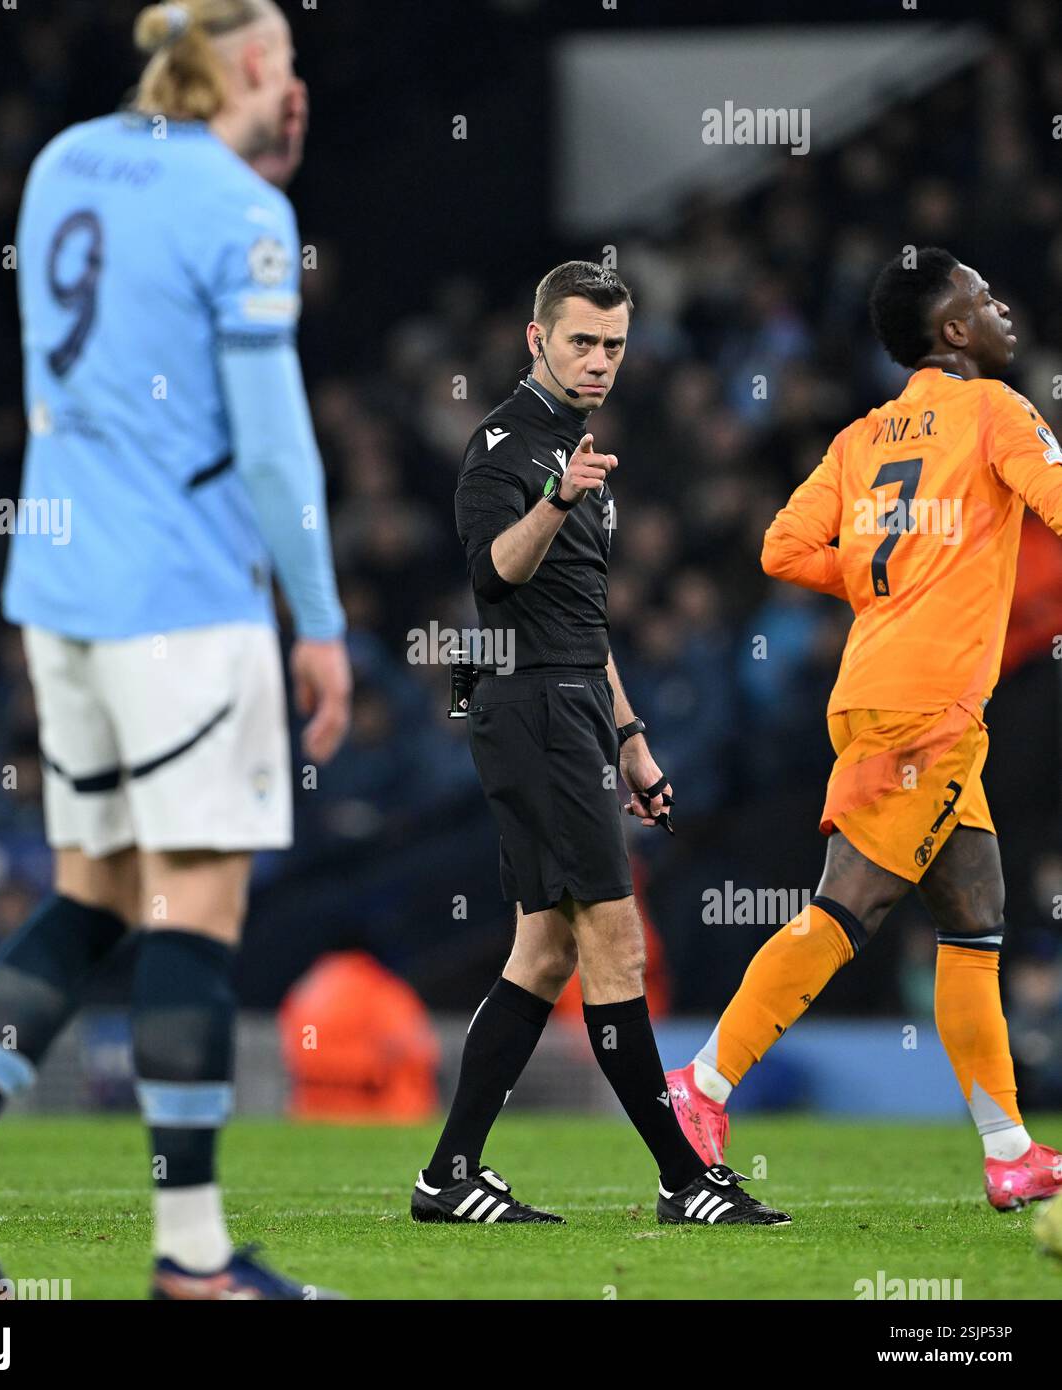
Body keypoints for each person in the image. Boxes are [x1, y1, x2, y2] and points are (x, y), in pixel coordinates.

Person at [0, 0, 352, 1300]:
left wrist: (243, 172)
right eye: (289, 60)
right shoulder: (242, 214)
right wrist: (316, 622)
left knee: (93, 895)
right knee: (191, 909)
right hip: (181, 599)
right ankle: (192, 1255)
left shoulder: (63, 161)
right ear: (256, 65)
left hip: (57, 589)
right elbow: (268, 443)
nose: (297, 80)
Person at [668, 248, 1062, 1214]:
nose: (999, 305)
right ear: (953, 331)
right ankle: (702, 1084)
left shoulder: (862, 437)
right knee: (847, 909)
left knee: (973, 921)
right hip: (927, 705)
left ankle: (1008, 1151)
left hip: (878, 687)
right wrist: (936, 571)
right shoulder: (995, 411)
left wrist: (891, 575)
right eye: (981, 295)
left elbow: (781, 547)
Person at [410, 261, 789, 1228]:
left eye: (614, 345)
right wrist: (558, 499)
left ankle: (448, 1175)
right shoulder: (503, 447)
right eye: (580, 340)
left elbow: (580, 620)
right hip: (527, 708)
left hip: (569, 702)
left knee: (541, 953)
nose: (599, 361)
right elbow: (495, 575)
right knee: (613, 940)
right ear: (536, 338)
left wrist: (630, 739)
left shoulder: (576, 449)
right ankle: (682, 1178)